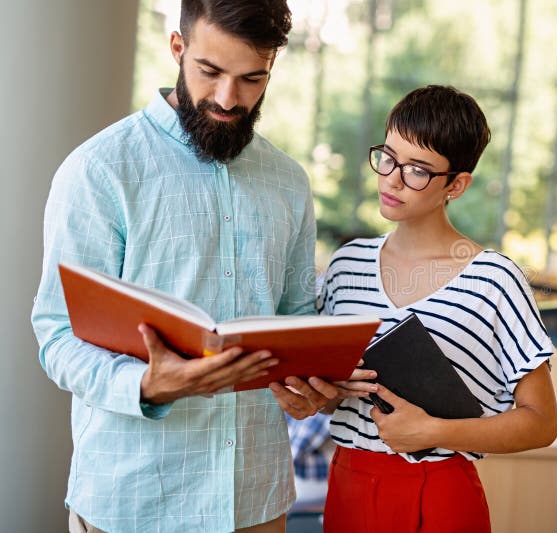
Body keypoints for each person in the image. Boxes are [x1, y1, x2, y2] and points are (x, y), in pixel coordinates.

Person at [31, 1, 366, 531]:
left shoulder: (289, 181)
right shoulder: (100, 169)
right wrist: (146, 385)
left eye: (252, 78)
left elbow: (297, 317)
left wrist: (310, 389)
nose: (229, 98)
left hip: (255, 501)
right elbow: (57, 335)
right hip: (133, 503)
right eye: (210, 71)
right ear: (177, 48)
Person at [318, 85, 557, 532]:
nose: (392, 180)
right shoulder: (346, 266)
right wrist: (329, 388)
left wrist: (434, 431)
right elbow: (323, 396)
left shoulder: (494, 279)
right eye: (388, 158)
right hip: (348, 485)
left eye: (417, 170)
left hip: (440, 492)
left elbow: (542, 423)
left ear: (457, 185)